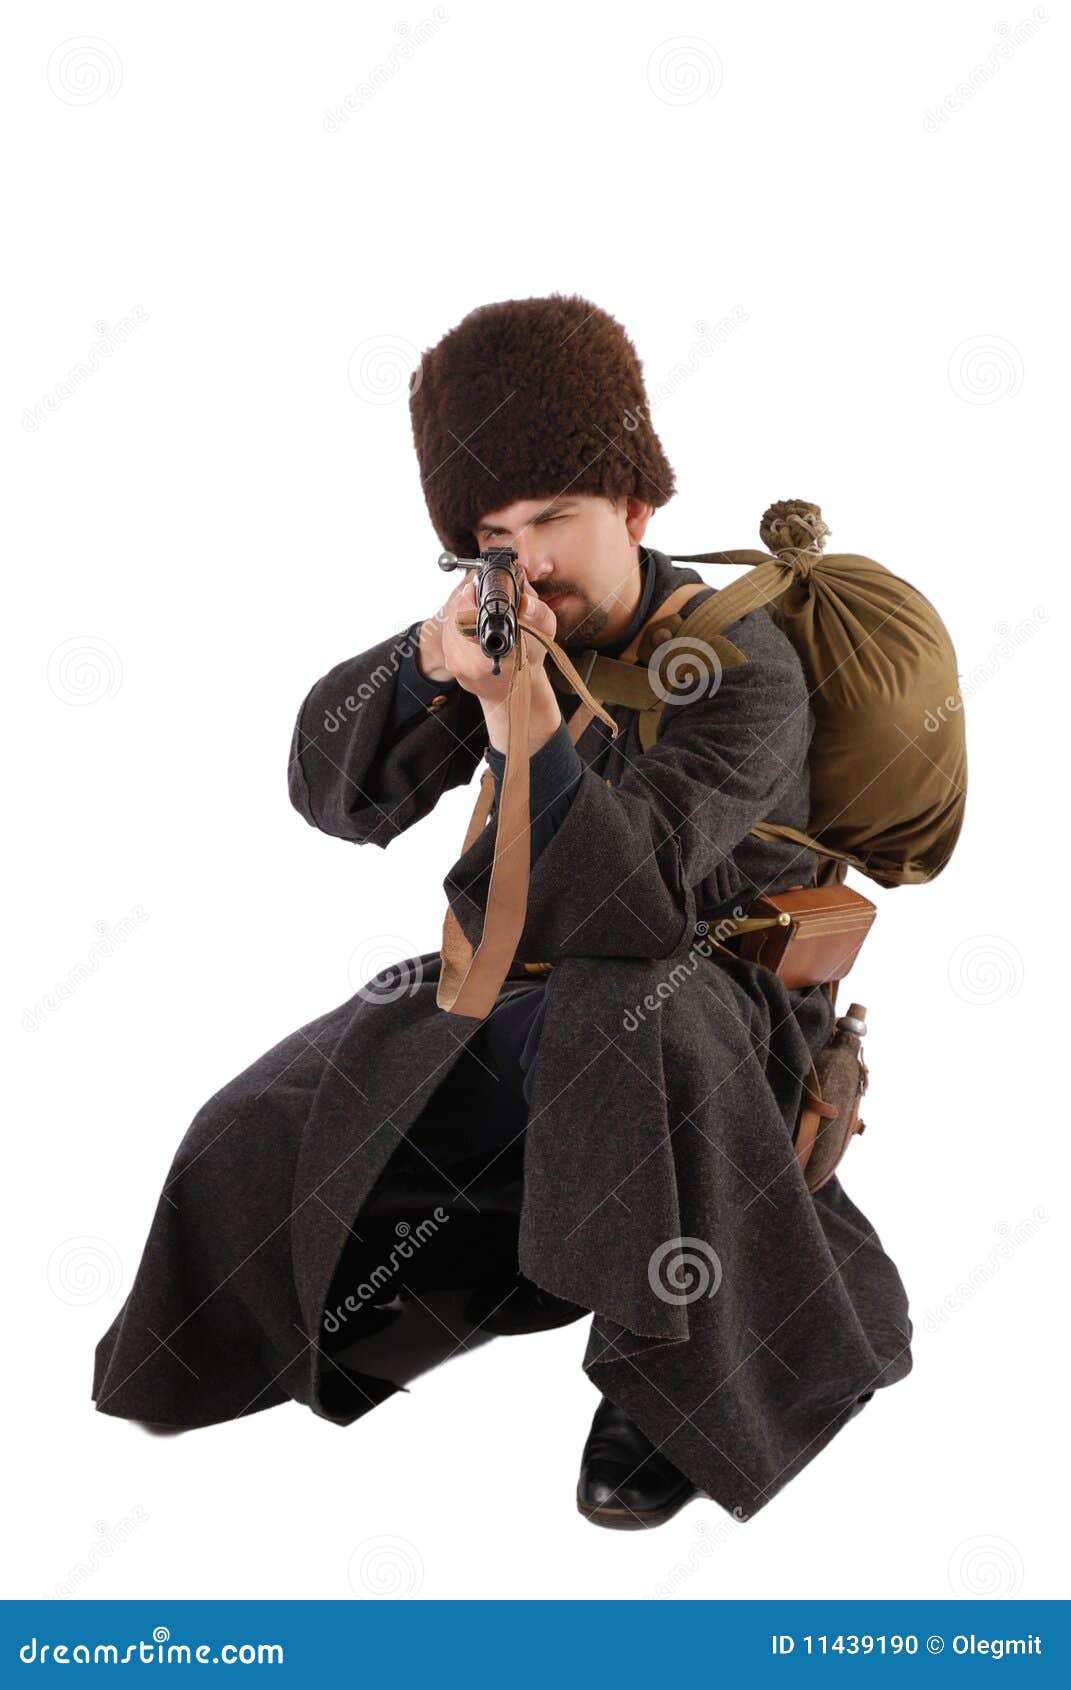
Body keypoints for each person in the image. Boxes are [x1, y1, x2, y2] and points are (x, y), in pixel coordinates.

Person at [93, 293, 911, 1530]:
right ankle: (338, 1321)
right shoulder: (496, 629)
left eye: (554, 519)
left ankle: (671, 1376)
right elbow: (329, 791)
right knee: (252, 1128)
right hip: (510, 990)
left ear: (635, 508)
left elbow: (634, 906)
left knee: (630, 1019)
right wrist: (430, 666)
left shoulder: (744, 672)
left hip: (707, 1011)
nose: (526, 560)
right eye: (494, 532)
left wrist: (528, 721)